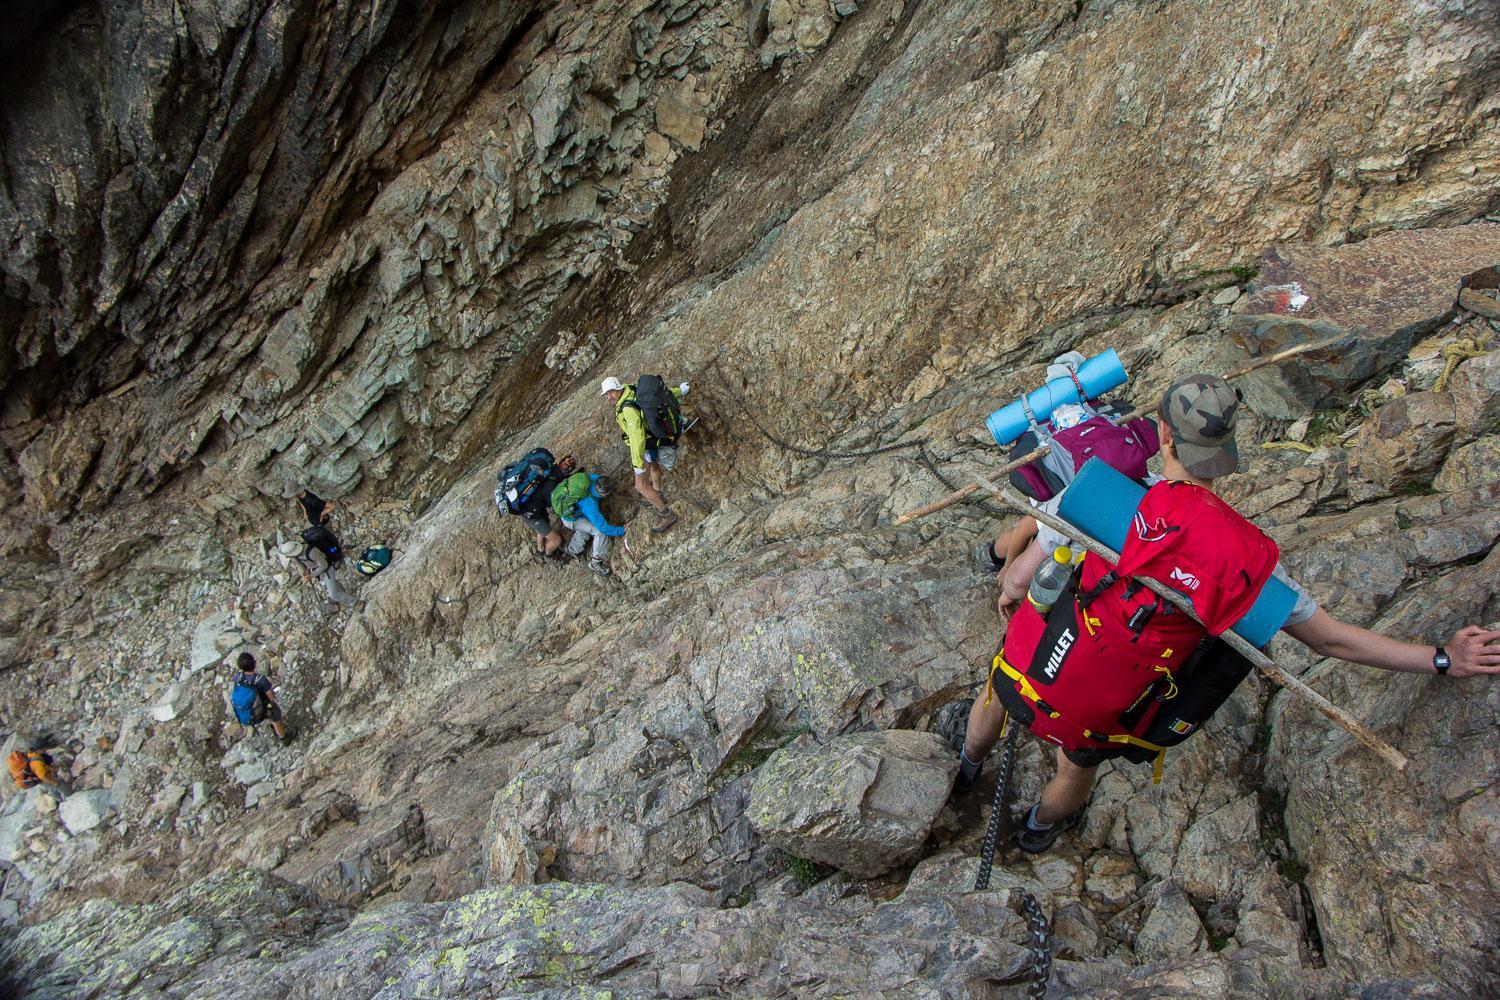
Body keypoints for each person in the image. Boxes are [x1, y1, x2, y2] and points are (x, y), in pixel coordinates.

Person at [958, 374, 1500, 853]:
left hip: (1038, 663)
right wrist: (1444, 659)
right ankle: (1036, 827)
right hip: (1110, 706)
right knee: (1077, 765)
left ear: (1162, 434)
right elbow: (1334, 641)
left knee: (997, 694)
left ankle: (969, 766)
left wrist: (1011, 587)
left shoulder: (1105, 498)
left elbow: (1020, 575)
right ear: (1226, 449)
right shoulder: (1251, 564)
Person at [600, 376, 689, 531]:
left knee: (640, 485)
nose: (609, 397)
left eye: (610, 393)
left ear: (617, 389)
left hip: (647, 444)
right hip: (653, 437)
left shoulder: (627, 408)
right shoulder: (633, 388)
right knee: (654, 467)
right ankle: (658, 493)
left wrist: (637, 461)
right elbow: (659, 395)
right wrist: (679, 391)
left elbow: (636, 436)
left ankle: (667, 514)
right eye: (607, 394)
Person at [496, 453, 575, 560]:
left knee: (542, 528)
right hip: (532, 515)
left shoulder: (546, 469)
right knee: (556, 540)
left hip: (530, 509)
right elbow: (555, 506)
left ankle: (540, 550)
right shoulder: (551, 485)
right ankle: (549, 556)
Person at [551, 466, 626, 575]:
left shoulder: (591, 479)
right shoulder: (590, 505)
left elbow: (601, 479)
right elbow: (603, 528)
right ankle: (596, 562)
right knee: (598, 532)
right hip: (572, 519)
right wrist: (622, 530)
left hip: (569, 512)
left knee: (585, 529)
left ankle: (572, 550)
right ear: (603, 494)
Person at [230, 652, 292, 742]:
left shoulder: (238, 677)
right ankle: (284, 737)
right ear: (254, 664)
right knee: (274, 714)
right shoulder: (260, 679)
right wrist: (271, 704)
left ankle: (272, 725)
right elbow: (271, 697)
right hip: (262, 708)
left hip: (248, 711)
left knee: (267, 709)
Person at [279, 538, 355, 606]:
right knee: (332, 584)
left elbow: (324, 565)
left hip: (327, 569)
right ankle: (340, 593)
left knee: (333, 594)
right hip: (319, 570)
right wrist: (305, 573)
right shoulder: (297, 555)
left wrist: (310, 576)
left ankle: (354, 601)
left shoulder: (312, 552)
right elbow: (301, 564)